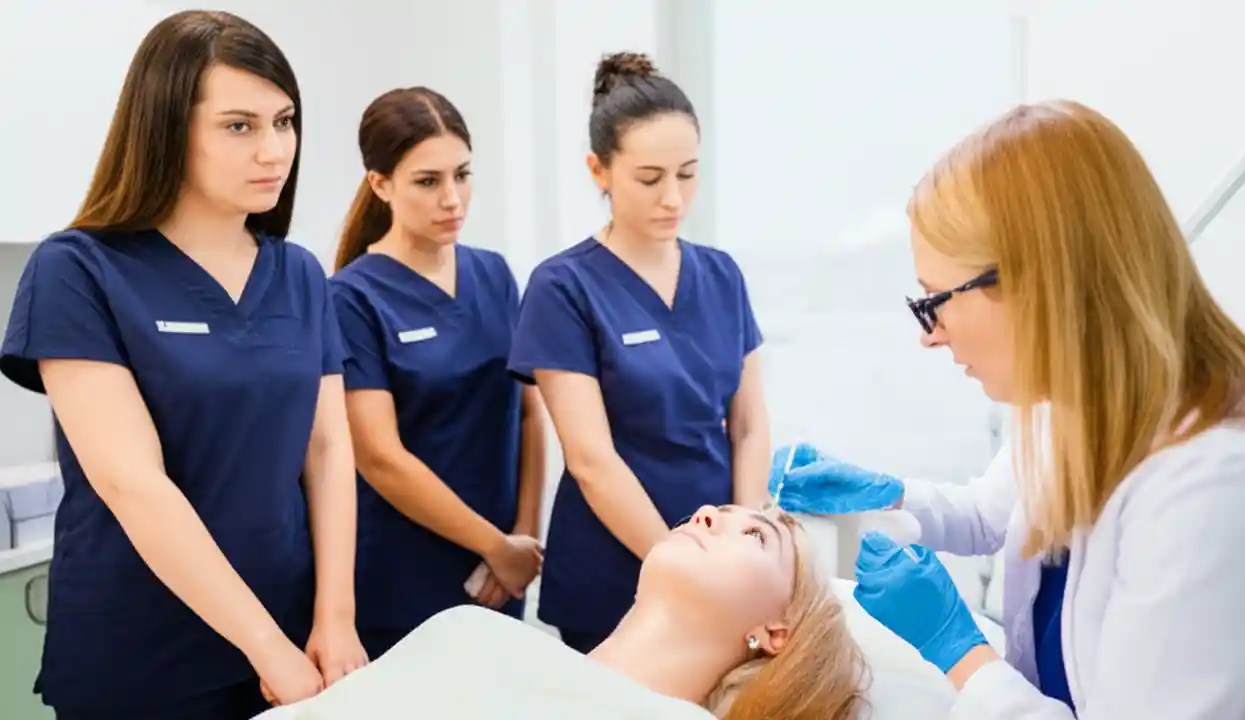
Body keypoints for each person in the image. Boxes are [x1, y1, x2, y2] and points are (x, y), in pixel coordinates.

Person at [772, 100, 1245, 718]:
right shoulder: (1070, 391)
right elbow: (996, 513)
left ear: (1035, 285)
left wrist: (958, 651)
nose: (930, 336)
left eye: (934, 301)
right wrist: (889, 495)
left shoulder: (1215, 482)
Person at [0, 11, 367, 718]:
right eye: (239, 126)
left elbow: (327, 449)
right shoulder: (78, 270)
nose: (273, 150)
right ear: (167, 127)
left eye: (284, 122)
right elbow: (132, 483)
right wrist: (266, 648)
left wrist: (336, 617)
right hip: (143, 654)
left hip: (298, 638)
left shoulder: (299, 275)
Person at [507, 51, 772, 655]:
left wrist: (746, 542)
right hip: (614, 568)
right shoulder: (563, 287)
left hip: (721, 564)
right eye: (650, 179)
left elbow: (749, 424)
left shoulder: (722, 275)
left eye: (687, 174)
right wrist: (681, 569)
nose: (673, 198)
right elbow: (591, 459)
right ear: (598, 170)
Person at [252, 505, 869, 720]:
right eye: (718, 511)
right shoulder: (486, 640)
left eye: (756, 536)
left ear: (776, 632)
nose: (707, 513)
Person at [329, 86, 546, 661]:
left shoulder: (495, 275)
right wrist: (493, 544)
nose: (452, 199)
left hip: (501, 574)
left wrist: (520, 544)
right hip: (403, 573)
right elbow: (379, 457)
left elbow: (528, 413)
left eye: (462, 175)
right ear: (381, 184)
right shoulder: (351, 299)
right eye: (428, 181)